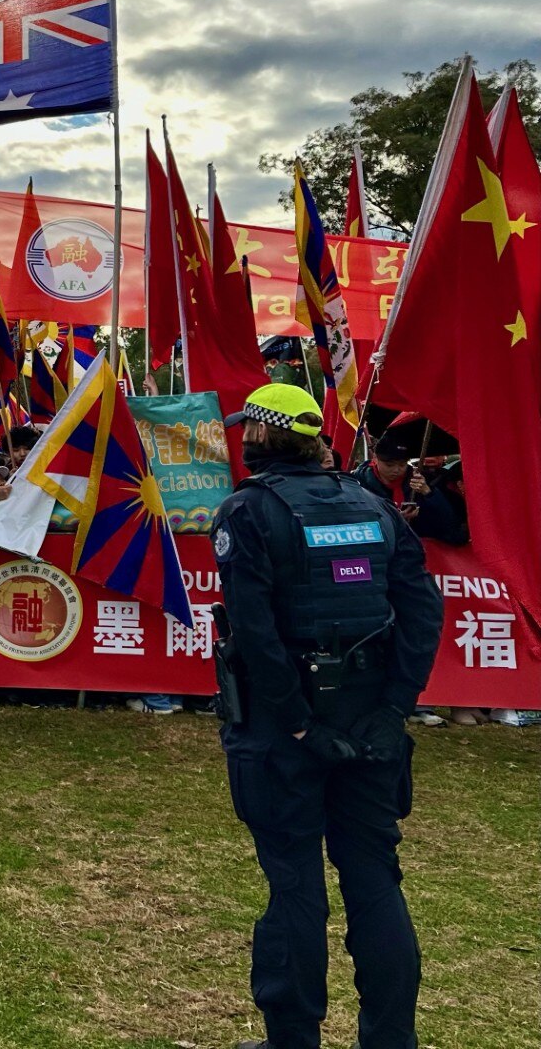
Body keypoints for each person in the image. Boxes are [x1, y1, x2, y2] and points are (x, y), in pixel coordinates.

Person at [211, 383, 444, 1049]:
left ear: (258, 437)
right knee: (374, 879)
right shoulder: (375, 509)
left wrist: (294, 723)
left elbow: (255, 634)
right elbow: (424, 612)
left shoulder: (248, 514)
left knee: (295, 884)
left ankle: (293, 1038)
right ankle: (390, 1037)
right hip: (370, 722)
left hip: (286, 733)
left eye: (246, 431)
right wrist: (394, 706)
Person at [352, 429, 467, 546]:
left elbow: (450, 524)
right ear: (375, 459)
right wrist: (394, 519)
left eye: (402, 464)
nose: (396, 470)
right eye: (389, 465)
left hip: (416, 549)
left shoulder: (421, 480)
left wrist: (429, 493)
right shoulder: (357, 482)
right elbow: (354, 524)